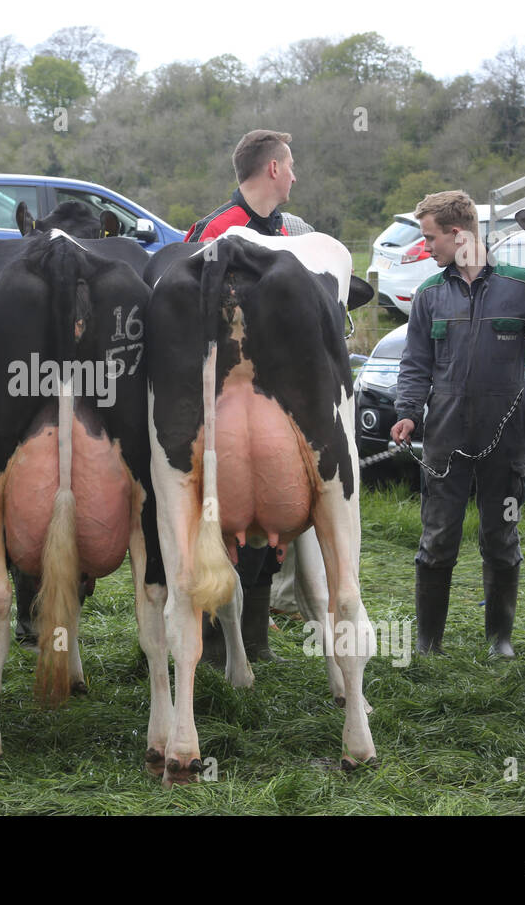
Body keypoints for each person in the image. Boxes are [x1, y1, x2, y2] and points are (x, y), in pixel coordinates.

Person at [390, 190, 525, 657]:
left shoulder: (522, 286)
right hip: (445, 436)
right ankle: (427, 641)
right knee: (437, 537)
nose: (426, 247)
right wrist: (406, 412)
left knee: (502, 535)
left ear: (459, 234)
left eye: (430, 237)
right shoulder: (429, 294)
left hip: (506, 436)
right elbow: (415, 363)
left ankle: (500, 639)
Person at [186, 129, 307, 664]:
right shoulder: (218, 229)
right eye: (291, 165)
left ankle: (255, 643)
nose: (296, 175)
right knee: (222, 520)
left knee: (268, 522)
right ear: (274, 170)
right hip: (221, 401)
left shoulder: (284, 230)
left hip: (272, 398)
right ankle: (214, 645)